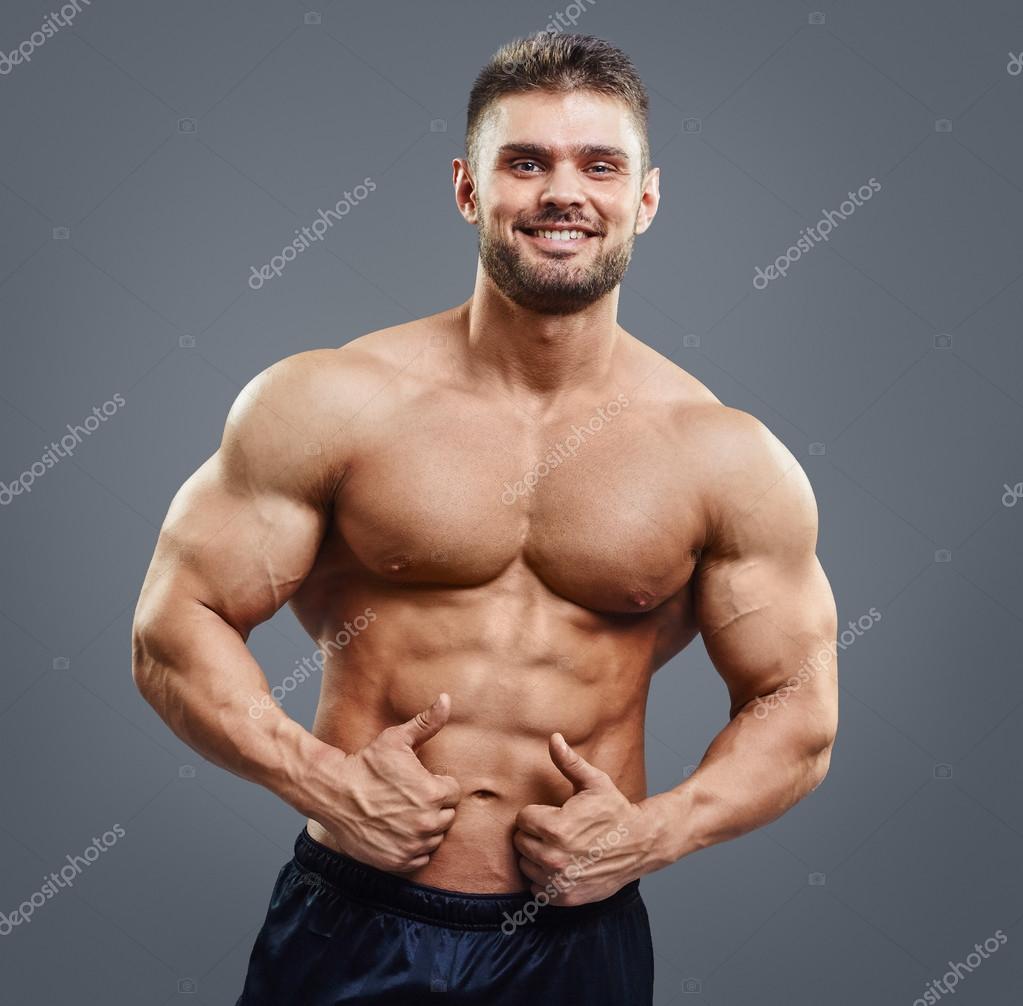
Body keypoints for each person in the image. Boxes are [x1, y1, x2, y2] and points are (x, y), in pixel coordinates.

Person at [131, 31, 838, 1006]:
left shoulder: (724, 456)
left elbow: (797, 705)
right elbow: (176, 624)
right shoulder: (331, 402)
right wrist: (318, 779)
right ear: (469, 189)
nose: (563, 191)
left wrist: (657, 830)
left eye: (600, 164)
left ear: (647, 197)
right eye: (526, 161)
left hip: (576, 940)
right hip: (352, 918)